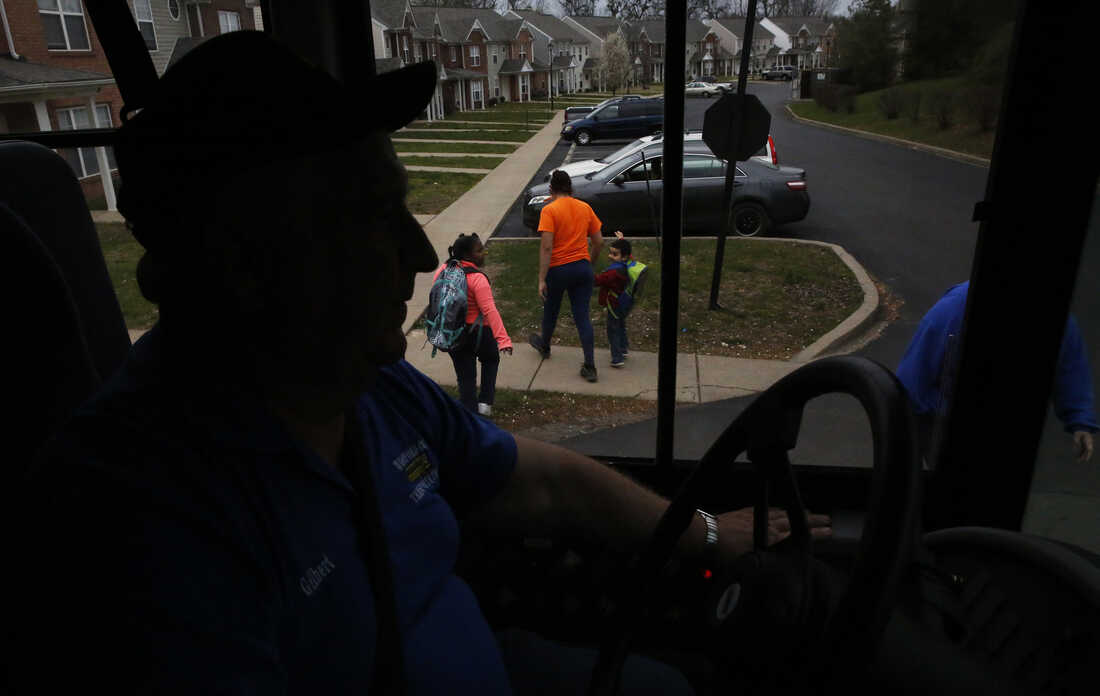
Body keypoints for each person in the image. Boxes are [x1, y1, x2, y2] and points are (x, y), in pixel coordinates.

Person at [11, 32, 830, 695]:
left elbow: (545, 482)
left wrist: (709, 531)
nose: (417, 250)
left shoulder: (366, 386)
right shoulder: (138, 527)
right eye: (372, 215)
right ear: (250, 261)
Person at [897, 280, 1097, 464]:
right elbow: (916, 370)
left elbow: (1070, 365)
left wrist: (1080, 420)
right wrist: (908, 427)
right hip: (946, 423)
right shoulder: (957, 306)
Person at [529, 169, 604, 383]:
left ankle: (545, 345)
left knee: (551, 310)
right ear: (571, 188)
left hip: (558, 269)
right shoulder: (585, 207)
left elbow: (546, 247)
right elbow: (599, 242)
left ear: (551, 189)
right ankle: (590, 365)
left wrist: (542, 278)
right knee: (582, 316)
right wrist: (590, 263)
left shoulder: (549, 210)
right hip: (582, 268)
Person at [432, 233, 512, 416]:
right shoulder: (477, 278)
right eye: (479, 250)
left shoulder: (443, 270)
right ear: (468, 255)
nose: (483, 253)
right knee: (491, 359)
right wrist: (503, 340)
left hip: (452, 333)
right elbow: (489, 310)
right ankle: (485, 403)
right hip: (480, 333)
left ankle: (469, 413)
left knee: (465, 376)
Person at [594, 231, 635, 368]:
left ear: (623, 257)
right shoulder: (627, 264)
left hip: (614, 304)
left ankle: (617, 358)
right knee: (621, 325)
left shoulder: (613, 273)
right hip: (624, 302)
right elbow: (628, 255)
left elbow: (597, 281)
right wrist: (622, 240)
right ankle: (623, 349)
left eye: (614, 254)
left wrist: (585, 269)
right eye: (610, 252)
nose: (610, 256)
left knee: (612, 330)